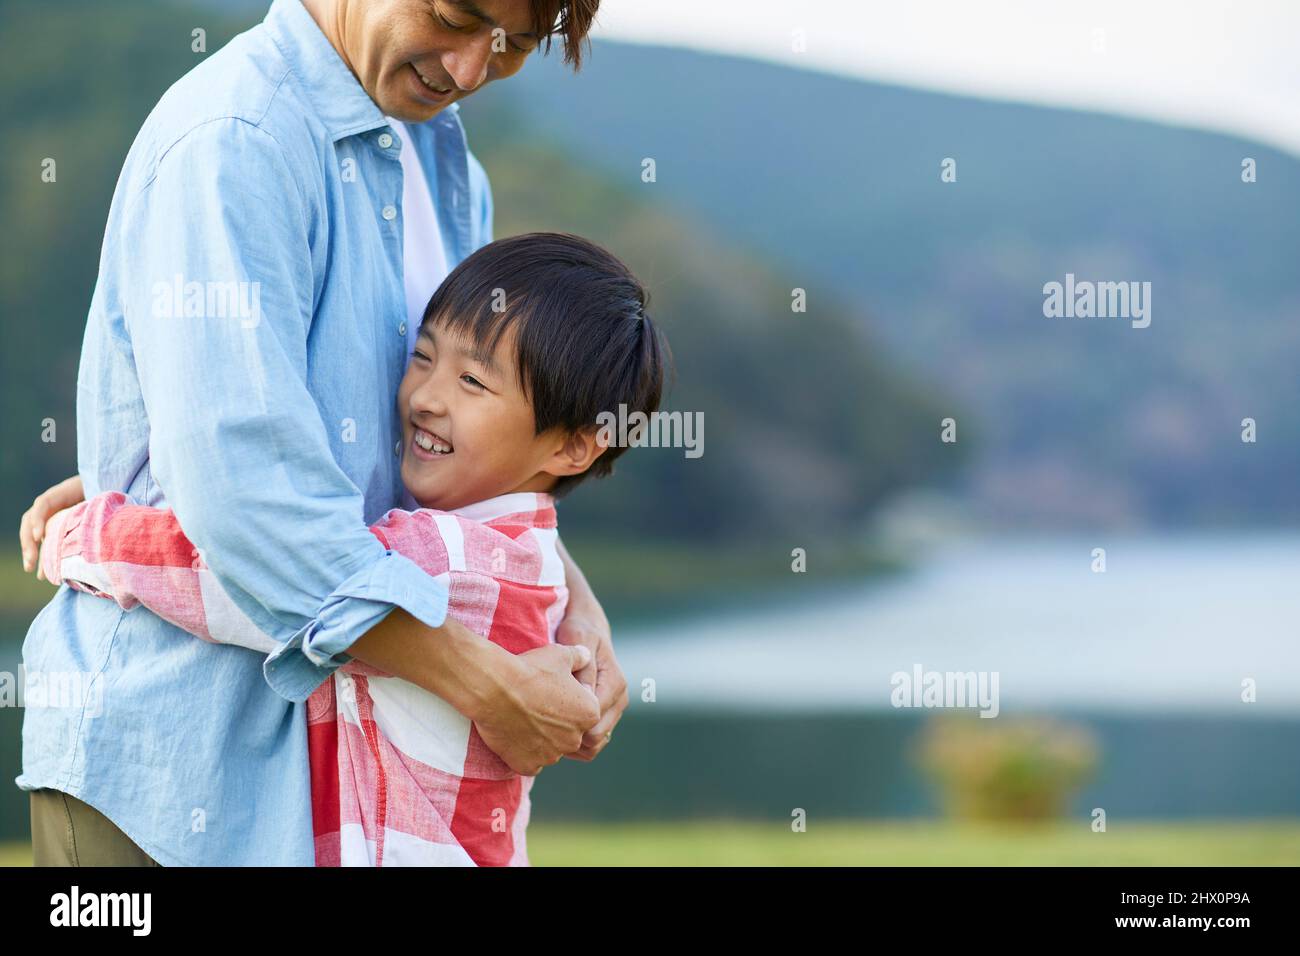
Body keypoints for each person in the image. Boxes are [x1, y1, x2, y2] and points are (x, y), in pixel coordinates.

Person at [15, 0, 624, 867]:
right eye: (453, 16)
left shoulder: (442, 161)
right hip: (173, 777)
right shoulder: (237, 140)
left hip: (326, 794)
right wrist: (488, 686)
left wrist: (577, 610)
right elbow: (248, 502)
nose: (465, 70)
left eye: (512, 46)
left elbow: (446, 454)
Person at [39, 233, 668, 866]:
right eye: (422, 357)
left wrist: (88, 533)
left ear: (572, 447)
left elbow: (252, 577)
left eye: (473, 381)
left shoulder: (448, 559)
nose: (425, 396)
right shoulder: (532, 560)